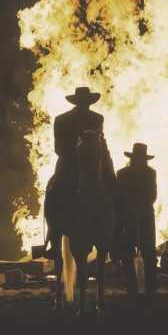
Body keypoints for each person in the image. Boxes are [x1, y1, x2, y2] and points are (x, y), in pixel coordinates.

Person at [44, 86, 116, 256]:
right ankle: (54, 235)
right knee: (55, 190)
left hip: (94, 159)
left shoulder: (98, 118)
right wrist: (76, 155)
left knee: (114, 187)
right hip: (69, 162)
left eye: (87, 102)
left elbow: (101, 140)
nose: (86, 105)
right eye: (84, 102)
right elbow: (58, 148)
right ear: (79, 102)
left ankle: (113, 233)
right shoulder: (62, 120)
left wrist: (103, 156)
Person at [117, 143, 157, 296]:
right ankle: (141, 288)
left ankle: (144, 288)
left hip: (138, 216)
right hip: (140, 216)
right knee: (137, 253)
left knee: (146, 253)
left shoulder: (123, 173)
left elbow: (152, 196)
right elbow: (152, 196)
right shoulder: (150, 173)